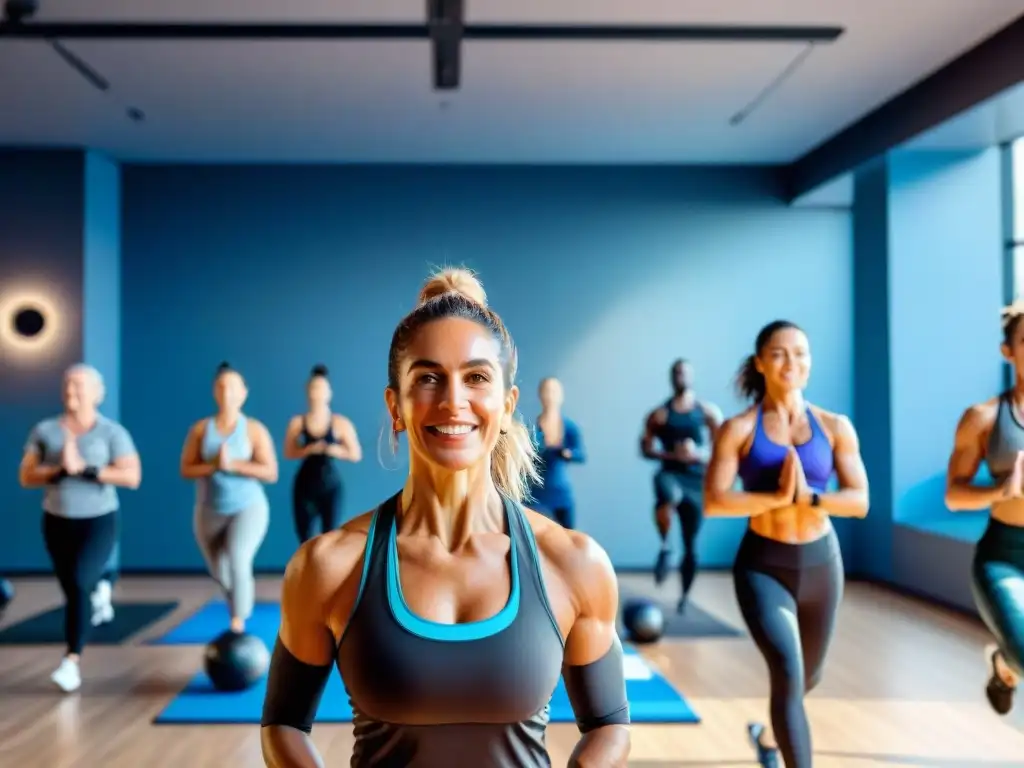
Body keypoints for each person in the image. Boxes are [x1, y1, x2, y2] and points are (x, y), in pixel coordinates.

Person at [260, 268, 630, 768]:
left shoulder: (572, 563)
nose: (454, 400)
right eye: (428, 378)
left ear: (506, 405)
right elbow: (282, 723)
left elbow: (609, 725)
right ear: (396, 406)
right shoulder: (329, 566)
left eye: (476, 377)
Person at [704, 320, 869, 768]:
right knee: (789, 673)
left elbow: (860, 501)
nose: (791, 362)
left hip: (821, 564)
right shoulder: (738, 429)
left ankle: (771, 740)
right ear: (760, 362)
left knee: (806, 678)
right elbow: (715, 502)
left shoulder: (835, 427)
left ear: (810, 362)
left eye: (800, 353)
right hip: (764, 565)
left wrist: (811, 497)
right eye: (779, 353)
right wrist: (773, 498)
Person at [17, 364, 142, 692]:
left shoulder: (111, 432)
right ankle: (99, 589)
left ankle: (71, 661)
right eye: (68, 385)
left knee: (78, 582)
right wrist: (59, 469)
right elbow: (26, 475)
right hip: (56, 520)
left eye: (79, 386)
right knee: (73, 588)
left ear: (97, 393)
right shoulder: (44, 431)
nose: (72, 391)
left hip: (98, 520)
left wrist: (86, 469)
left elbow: (131, 476)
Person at [945, 302, 1024, 717]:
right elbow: (954, 495)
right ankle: (1007, 661)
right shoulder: (984, 418)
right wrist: (1000, 490)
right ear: (1007, 351)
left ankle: (1006, 667)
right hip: (1005, 558)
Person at [180, 362, 278, 634]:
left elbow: (270, 472)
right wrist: (214, 465)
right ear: (215, 391)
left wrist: (233, 464)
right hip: (209, 510)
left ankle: (238, 623)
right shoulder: (200, 429)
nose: (227, 392)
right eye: (222, 386)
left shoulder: (253, 430)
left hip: (248, 507)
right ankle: (237, 607)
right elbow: (186, 468)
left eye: (233, 386)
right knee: (219, 571)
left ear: (243, 393)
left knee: (238, 558)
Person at [639, 358, 722, 612]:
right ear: (671, 377)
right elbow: (646, 448)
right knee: (667, 496)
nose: (681, 377)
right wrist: (673, 455)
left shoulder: (707, 412)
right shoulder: (660, 414)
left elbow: (722, 449)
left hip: (696, 480)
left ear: (692, 376)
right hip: (670, 473)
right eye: (676, 373)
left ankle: (685, 597)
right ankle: (665, 546)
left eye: (685, 373)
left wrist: (698, 454)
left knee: (692, 546)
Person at [283, 364, 363, 544]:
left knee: (330, 537)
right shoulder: (297, 423)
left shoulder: (339, 423)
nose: (316, 393)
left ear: (328, 393)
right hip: (305, 485)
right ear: (306, 391)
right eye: (312, 388)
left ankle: (327, 571)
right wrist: (308, 450)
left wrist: (334, 449)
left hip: (330, 486)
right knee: (304, 536)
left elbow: (355, 454)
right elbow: (288, 452)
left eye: (320, 389)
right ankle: (307, 571)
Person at [529, 376, 586, 529]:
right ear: (540, 395)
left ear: (561, 396)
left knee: (568, 536)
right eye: (546, 391)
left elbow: (580, 454)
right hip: (537, 493)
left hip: (561, 491)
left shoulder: (569, 426)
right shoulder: (533, 428)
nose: (550, 396)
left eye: (554, 391)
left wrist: (568, 454)